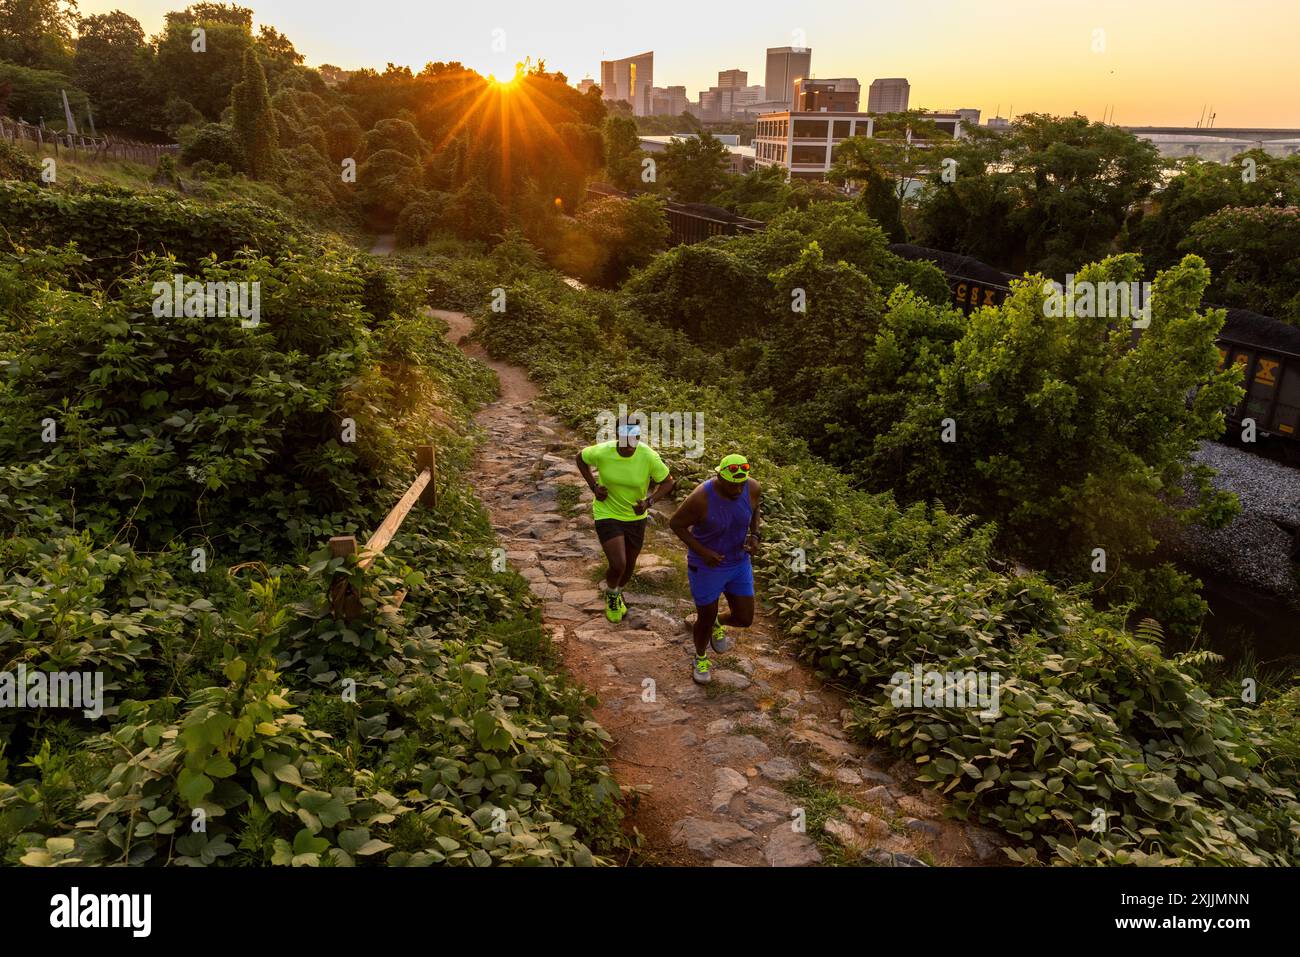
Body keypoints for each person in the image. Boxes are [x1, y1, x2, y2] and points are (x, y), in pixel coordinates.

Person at [668, 454, 761, 684]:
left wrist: (755, 535)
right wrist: (702, 551)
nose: (738, 488)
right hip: (707, 567)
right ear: (719, 476)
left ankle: (719, 622)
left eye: (741, 483)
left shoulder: (752, 488)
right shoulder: (701, 497)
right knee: (704, 618)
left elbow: (756, 508)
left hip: (739, 563)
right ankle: (700, 657)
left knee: (744, 618)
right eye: (732, 483)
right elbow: (676, 524)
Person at [575, 421, 675, 623]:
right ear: (617, 437)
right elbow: (580, 458)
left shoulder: (648, 456)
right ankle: (611, 595)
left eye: (635, 439)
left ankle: (617, 592)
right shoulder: (603, 451)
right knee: (618, 563)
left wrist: (649, 502)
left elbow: (668, 481)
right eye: (625, 440)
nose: (630, 445)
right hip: (607, 512)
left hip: (635, 516)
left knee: (629, 566)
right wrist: (594, 487)